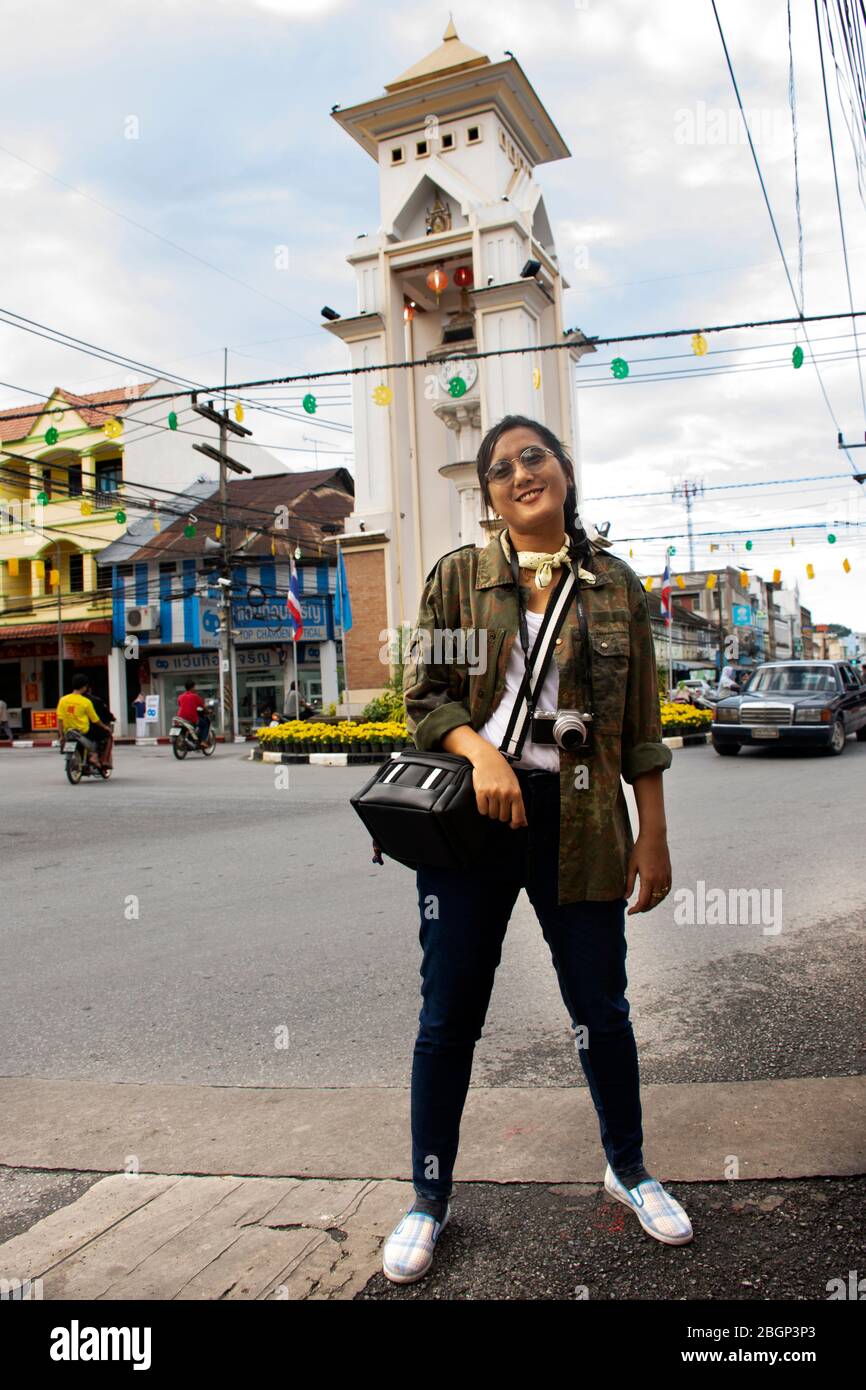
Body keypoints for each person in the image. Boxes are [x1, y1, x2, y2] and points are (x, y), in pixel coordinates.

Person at [382, 415, 692, 1285]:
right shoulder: (457, 578)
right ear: (488, 498)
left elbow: (640, 726)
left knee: (603, 1006)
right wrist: (482, 753)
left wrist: (653, 834)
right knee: (448, 1018)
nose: (521, 472)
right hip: (471, 821)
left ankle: (629, 1169)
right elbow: (424, 696)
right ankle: (428, 1199)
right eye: (501, 467)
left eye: (535, 456)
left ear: (562, 471)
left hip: (586, 822)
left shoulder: (617, 586)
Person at [57, 674, 111, 767]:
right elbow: (95, 720)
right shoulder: (86, 702)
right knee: (104, 734)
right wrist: (105, 726)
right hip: (83, 732)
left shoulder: (63, 700)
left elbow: (60, 720)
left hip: (68, 731)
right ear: (84, 687)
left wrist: (61, 735)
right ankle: (94, 755)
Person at [177, 680, 210, 746]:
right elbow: (202, 706)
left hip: (180, 717)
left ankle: (192, 738)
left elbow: (180, 705)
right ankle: (203, 741)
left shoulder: (180, 696)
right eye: (194, 687)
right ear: (192, 688)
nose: (195, 689)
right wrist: (207, 711)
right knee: (205, 724)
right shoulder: (195, 696)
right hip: (191, 717)